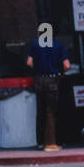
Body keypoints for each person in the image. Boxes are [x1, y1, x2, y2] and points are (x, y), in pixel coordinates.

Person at [26, 22, 70, 150]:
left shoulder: (35, 44)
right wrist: (60, 73)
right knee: (50, 111)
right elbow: (67, 65)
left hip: (39, 79)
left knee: (40, 110)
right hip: (52, 80)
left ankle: (40, 141)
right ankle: (50, 142)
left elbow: (29, 63)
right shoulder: (58, 45)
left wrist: (39, 68)